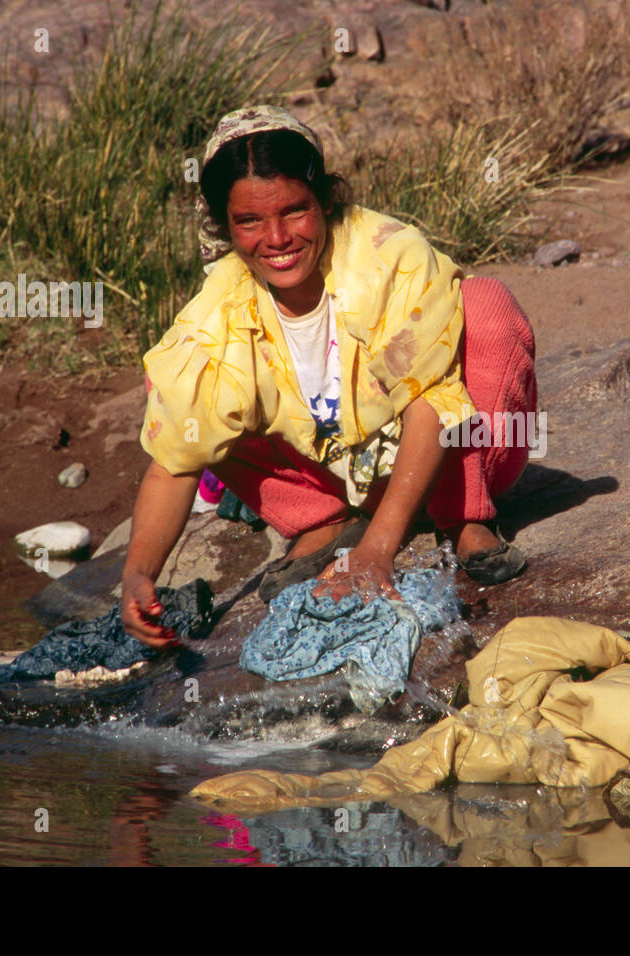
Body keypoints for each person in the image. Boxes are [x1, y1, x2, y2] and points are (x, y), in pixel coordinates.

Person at [121, 106, 538, 648]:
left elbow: (431, 401)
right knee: (181, 387)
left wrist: (379, 550)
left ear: (325, 201)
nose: (276, 238)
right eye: (249, 221)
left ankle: (463, 515)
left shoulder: (390, 257)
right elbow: (175, 459)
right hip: (339, 473)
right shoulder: (219, 312)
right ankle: (322, 519)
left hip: (459, 457)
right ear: (224, 226)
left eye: (295, 211)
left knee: (484, 305)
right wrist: (138, 574)